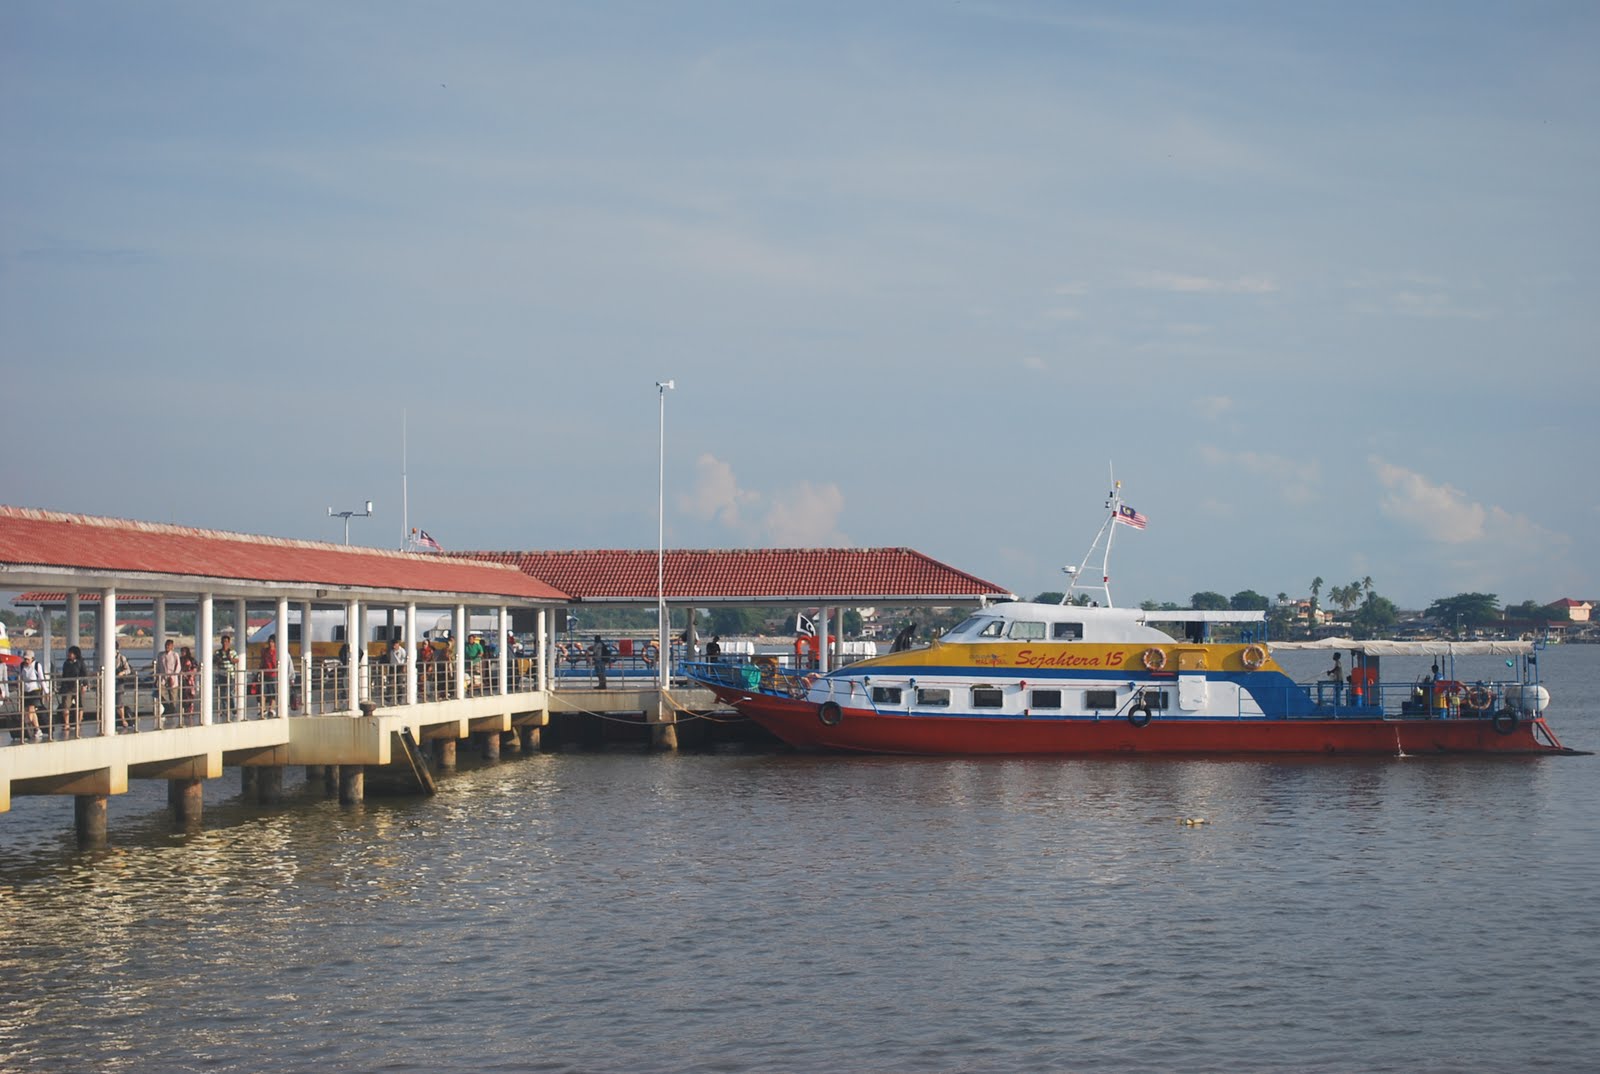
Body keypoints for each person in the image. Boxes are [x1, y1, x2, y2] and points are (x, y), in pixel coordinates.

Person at [59, 645, 90, 738]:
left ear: (75, 654)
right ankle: (67, 723)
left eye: (71, 653)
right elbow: (64, 675)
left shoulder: (80, 663)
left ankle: (78, 722)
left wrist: (84, 685)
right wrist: (62, 686)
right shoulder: (66, 663)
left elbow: (84, 674)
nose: (69, 654)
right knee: (65, 705)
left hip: (78, 686)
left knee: (80, 705)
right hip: (68, 687)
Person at [19, 652, 46, 736]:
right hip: (26, 691)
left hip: (35, 689)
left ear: (32, 659)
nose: (26, 661)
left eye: (28, 659)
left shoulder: (37, 665)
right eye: (25, 659)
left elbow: (41, 678)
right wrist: (20, 690)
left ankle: (27, 726)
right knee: (31, 711)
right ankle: (37, 729)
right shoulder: (22, 666)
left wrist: (46, 691)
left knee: (31, 711)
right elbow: (21, 677)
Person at [215, 633, 239, 721]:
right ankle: (224, 709)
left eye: (226, 641)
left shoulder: (232, 652)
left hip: (230, 675)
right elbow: (215, 661)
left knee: (231, 692)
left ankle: (233, 708)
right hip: (222, 674)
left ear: (229, 642)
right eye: (223, 641)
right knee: (222, 693)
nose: (225, 643)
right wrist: (219, 659)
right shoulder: (218, 652)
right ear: (221, 642)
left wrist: (230, 659)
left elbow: (237, 660)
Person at [156, 638, 181, 725]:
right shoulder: (160, 655)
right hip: (163, 678)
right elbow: (158, 667)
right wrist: (157, 678)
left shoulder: (175, 655)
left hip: (172, 679)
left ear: (172, 647)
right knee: (161, 695)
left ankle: (172, 713)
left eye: (169, 645)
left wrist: (172, 677)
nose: (167, 647)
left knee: (173, 697)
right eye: (166, 645)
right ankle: (168, 709)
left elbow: (178, 667)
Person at [260, 634, 279, 718]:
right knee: (263, 691)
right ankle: (262, 708)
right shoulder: (265, 651)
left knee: (273, 692)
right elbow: (262, 661)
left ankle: (271, 708)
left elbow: (275, 663)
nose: (270, 643)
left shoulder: (276, 652)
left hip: (273, 674)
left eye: (272, 642)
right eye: (270, 641)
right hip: (265, 673)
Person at [179, 646, 199, 724]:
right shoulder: (180, 660)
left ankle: (190, 712)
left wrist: (187, 674)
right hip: (182, 680)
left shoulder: (192, 660)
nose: (183, 653)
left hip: (190, 681)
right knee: (183, 695)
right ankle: (184, 711)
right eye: (182, 651)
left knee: (190, 696)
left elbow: (195, 669)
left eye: (184, 651)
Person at [388, 639, 407, 704]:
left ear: (398, 644)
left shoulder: (402, 651)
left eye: (395, 644)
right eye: (393, 645)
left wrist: (404, 667)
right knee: (391, 682)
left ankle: (400, 698)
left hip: (400, 667)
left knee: (400, 683)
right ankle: (389, 697)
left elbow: (404, 659)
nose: (394, 646)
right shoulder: (391, 651)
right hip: (393, 667)